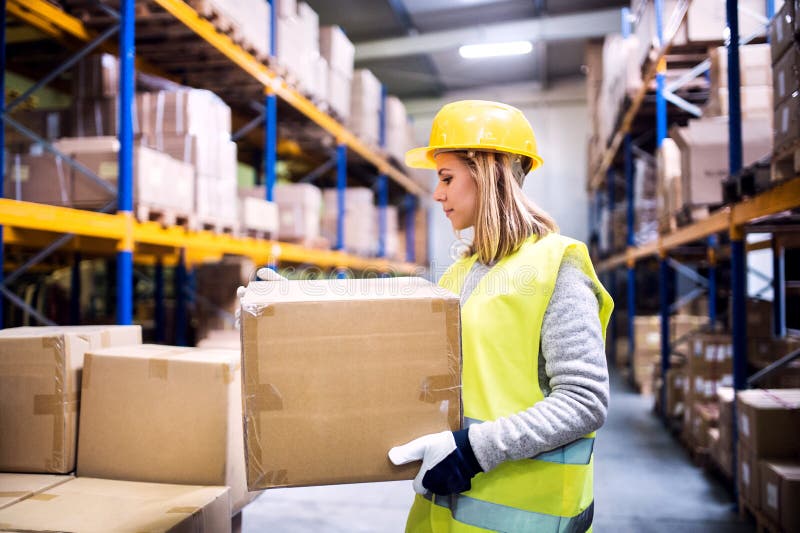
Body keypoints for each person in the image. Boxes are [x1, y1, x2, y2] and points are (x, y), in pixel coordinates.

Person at [387, 100, 613, 533]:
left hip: (522, 516)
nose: (438, 194)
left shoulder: (557, 264)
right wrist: (296, 299)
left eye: (447, 177)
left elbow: (585, 400)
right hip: (445, 512)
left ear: (488, 172)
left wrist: (473, 450)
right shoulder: (460, 273)